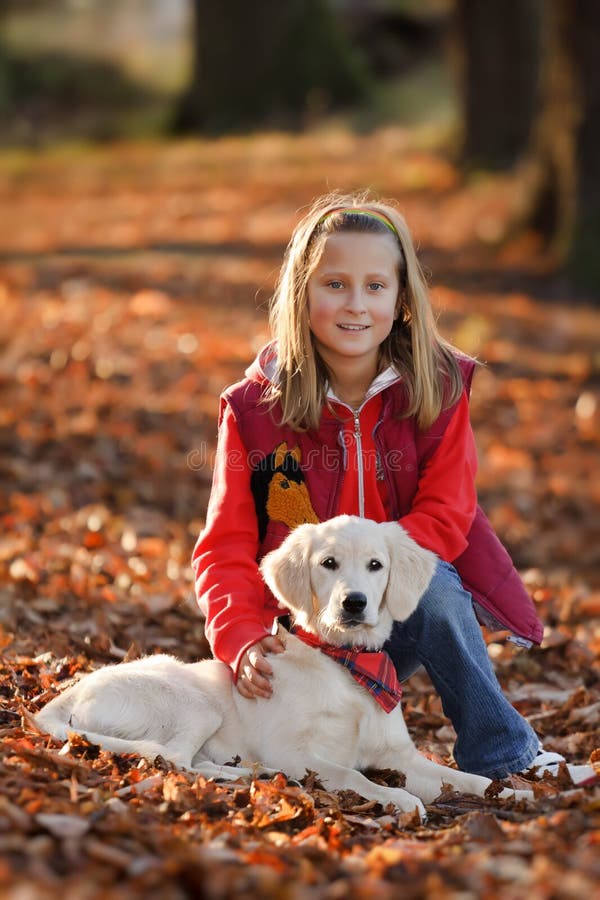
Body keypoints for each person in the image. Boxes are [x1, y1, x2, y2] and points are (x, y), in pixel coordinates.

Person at [193, 191, 595, 784]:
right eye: (334, 284)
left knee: (431, 586)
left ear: (403, 299)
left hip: (391, 616)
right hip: (304, 636)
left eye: (376, 287)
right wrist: (242, 638)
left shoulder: (435, 387)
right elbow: (225, 545)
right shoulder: (255, 409)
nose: (356, 305)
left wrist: (379, 565)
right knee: (304, 728)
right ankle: (331, 748)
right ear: (301, 293)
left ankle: (506, 756)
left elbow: (447, 513)